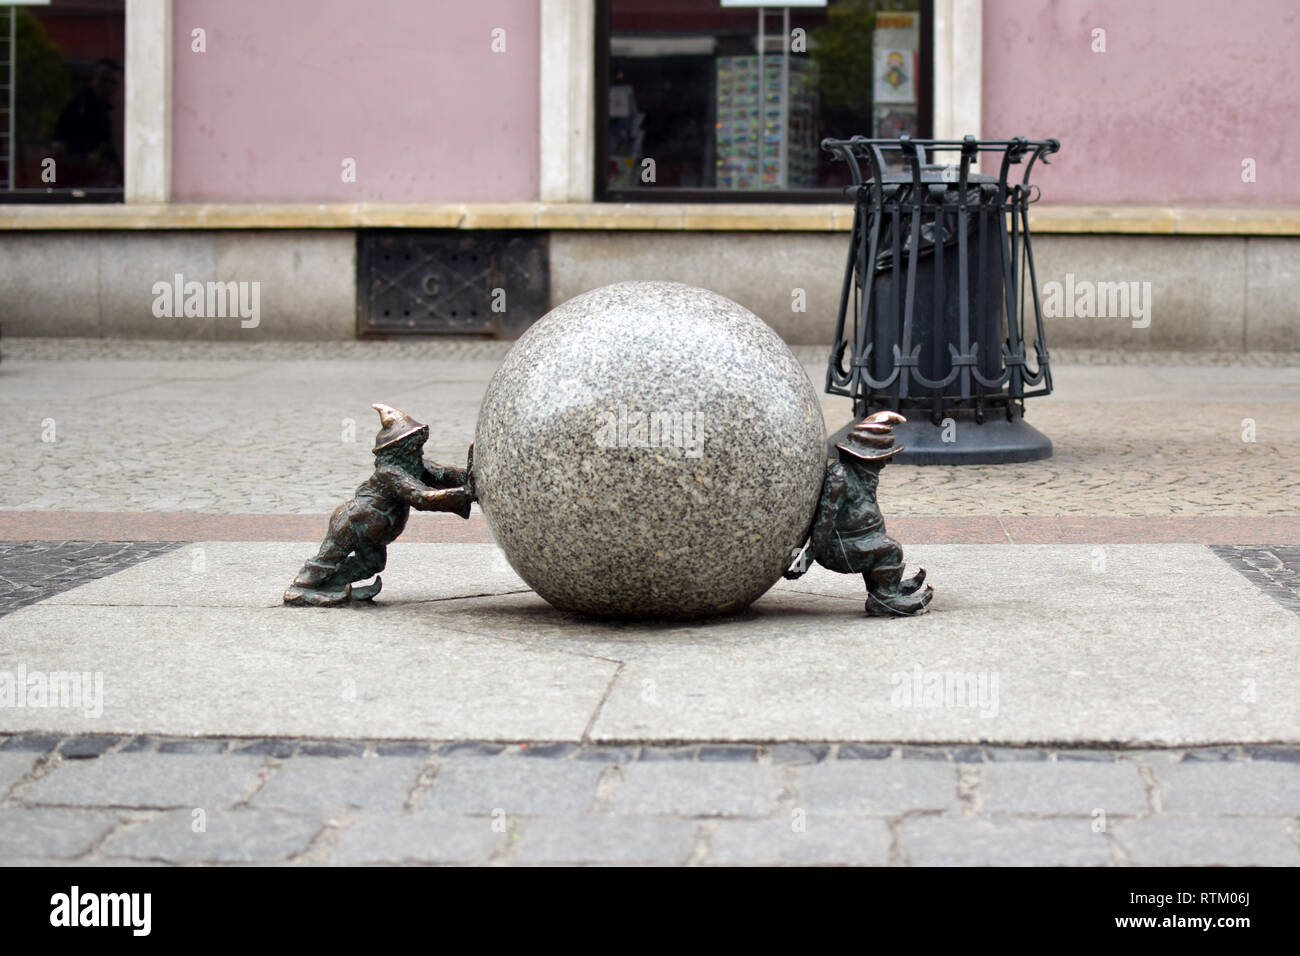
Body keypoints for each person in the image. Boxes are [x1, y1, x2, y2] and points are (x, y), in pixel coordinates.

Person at [284, 404, 473, 606]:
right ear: (401, 451)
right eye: (415, 448)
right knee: (326, 560)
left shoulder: (415, 467)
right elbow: (422, 497)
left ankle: (334, 585)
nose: (420, 452)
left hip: (374, 533)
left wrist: (473, 473)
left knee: (371, 563)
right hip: (353, 522)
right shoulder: (390, 473)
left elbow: (443, 474)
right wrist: (466, 494)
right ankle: (300, 589)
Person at [786, 411, 933, 616]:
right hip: (838, 549)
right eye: (883, 456)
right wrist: (803, 563)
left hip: (858, 540)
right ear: (866, 457)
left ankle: (884, 588)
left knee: (883, 546)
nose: (887, 461)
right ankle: (883, 600)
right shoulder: (840, 476)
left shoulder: (864, 475)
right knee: (890, 550)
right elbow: (824, 523)